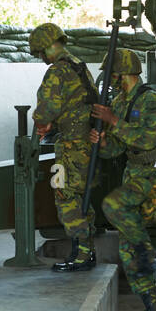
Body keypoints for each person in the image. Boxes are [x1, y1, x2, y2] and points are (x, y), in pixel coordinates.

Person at [89, 49, 156, 311]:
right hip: (134, 174)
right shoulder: (118, 102)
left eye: (113, 74)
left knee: (112, 205)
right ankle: (152, 308)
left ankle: (149, 250)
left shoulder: (150, 99)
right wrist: (102, 142)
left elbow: (147, 139)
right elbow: (117, 149)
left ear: (125, 72)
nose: (111, 80)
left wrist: (114, 122)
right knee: (129, 251)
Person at [28, 22, 103, 273]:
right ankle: (85, 250)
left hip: (71, 146)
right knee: (82, 197)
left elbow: (46, 109)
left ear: (47, 47)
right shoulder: (79, 66)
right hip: (87, 145)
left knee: (65, 196)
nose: (41, 58)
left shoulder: (57, 71)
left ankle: (81, 254)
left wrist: (41, 122)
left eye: (40, 53)